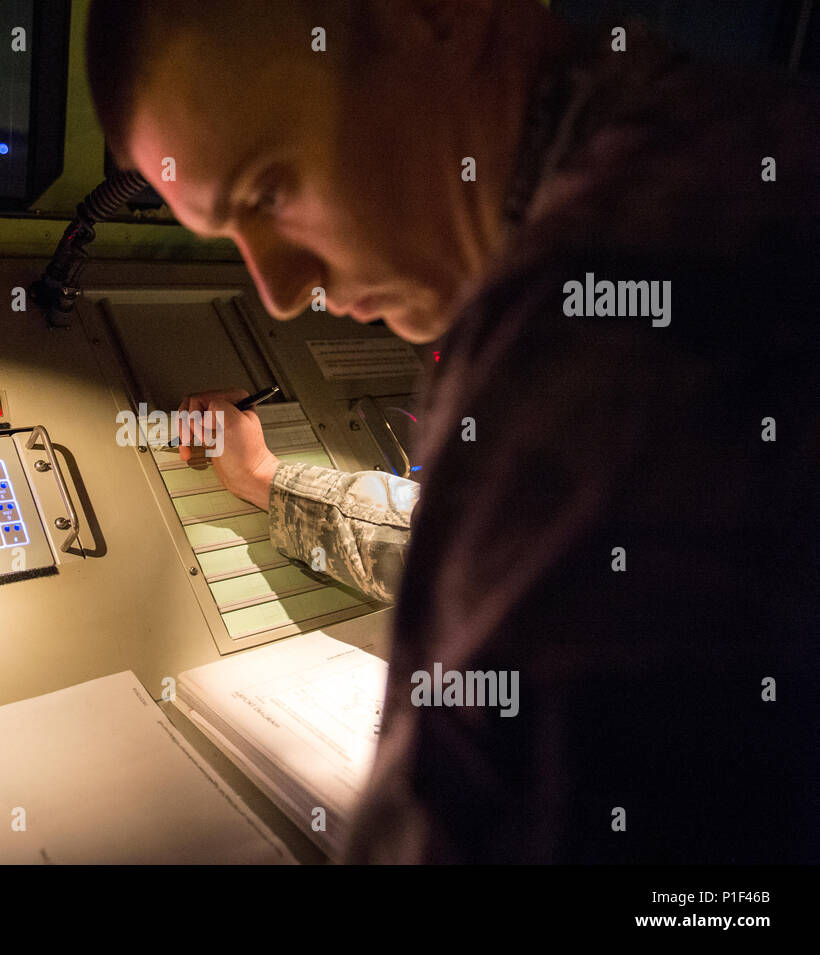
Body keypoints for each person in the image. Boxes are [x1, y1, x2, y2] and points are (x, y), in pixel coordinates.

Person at [86, 0, 820, 863]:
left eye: (272, 191)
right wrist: (270, 481)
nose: (281, 292)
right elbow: (491, 538)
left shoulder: (594, 308)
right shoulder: (730, 147)